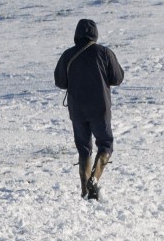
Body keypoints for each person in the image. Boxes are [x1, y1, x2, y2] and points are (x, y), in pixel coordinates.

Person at [53, 18, 125, 201]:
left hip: (77, 109)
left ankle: (85, 190)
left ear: (77, 34)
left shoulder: (68, 55)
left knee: (84, 149)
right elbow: (117, 78)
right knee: (105, 143)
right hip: (100, 108)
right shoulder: (104, 53)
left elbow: (60, 82)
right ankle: (94, 178)